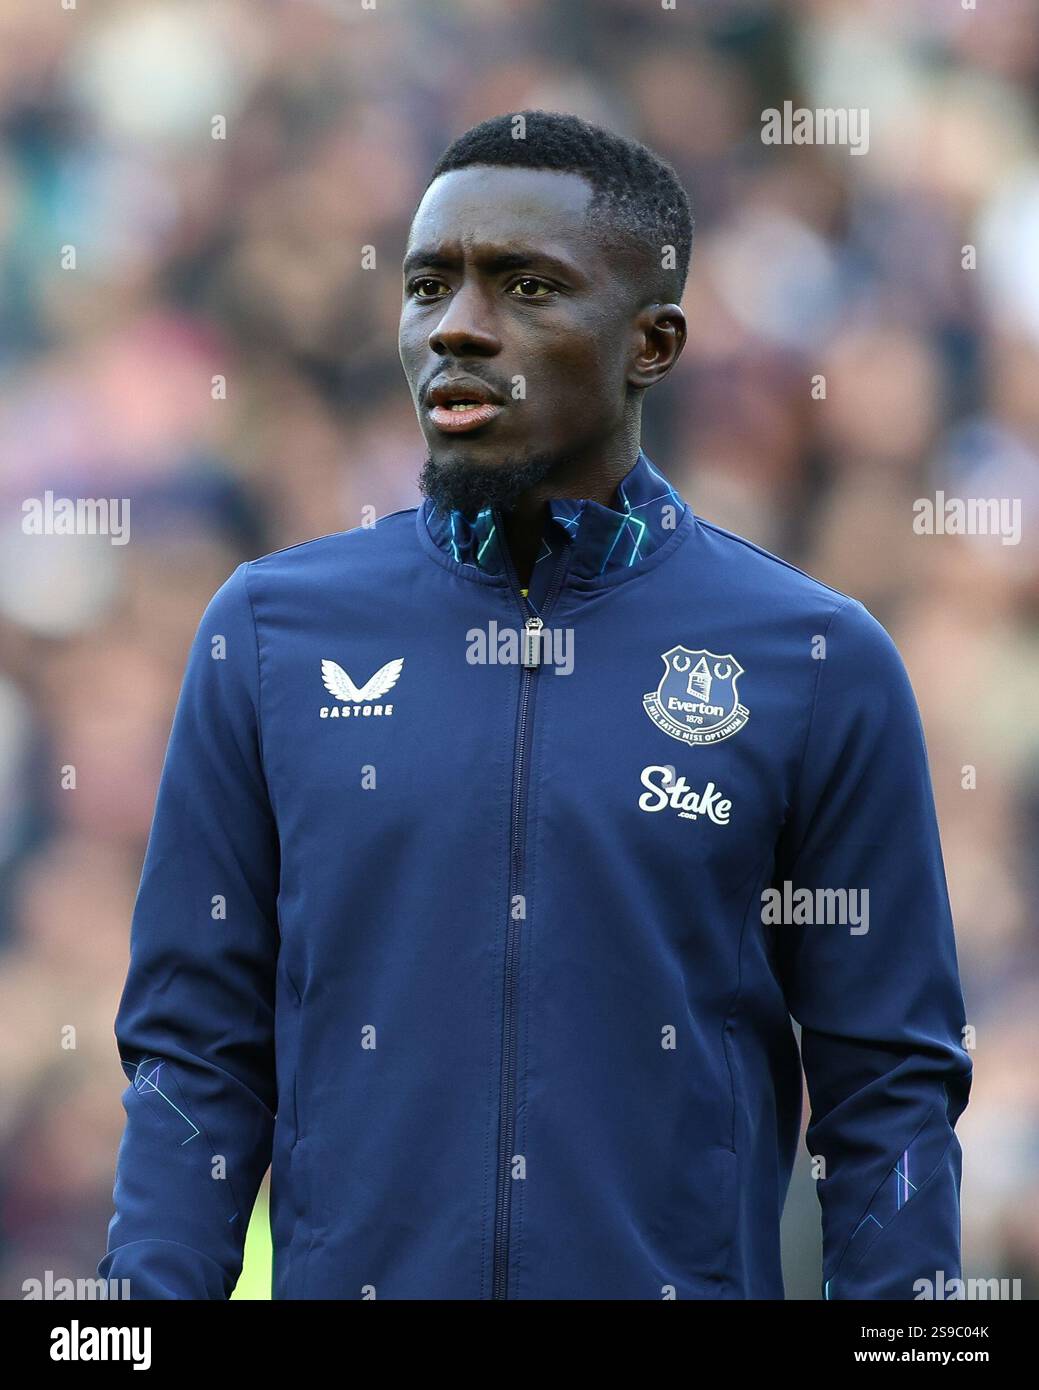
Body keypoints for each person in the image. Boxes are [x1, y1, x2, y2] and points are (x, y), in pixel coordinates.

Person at [99, 109, 972, 1300]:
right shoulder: (265, 634)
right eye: (427, 284)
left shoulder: (818, 661)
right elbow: (193, 1057)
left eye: (524, 286)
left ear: (650, 343)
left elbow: (889, 1096)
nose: (455, 326)